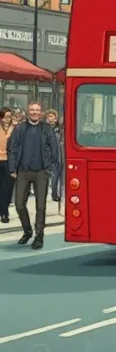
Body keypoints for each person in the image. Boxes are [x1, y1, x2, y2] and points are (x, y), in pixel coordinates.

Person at [7, 102, 59, 250]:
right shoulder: (20, 129)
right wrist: (12, 168)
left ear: (41, 112)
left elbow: (54, 149)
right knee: (19, 204)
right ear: (28, 111)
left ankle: (39, 236)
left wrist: (51, 167)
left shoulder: (46, 129)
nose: (35, 112)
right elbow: (12, 149)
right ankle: (27, 231)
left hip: (41, 171)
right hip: (23, 171)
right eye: (32, 110)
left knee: (41, 207)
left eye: (37, 110)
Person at [0, 108, 13, 224]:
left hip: (9, 162)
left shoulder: (14, 130)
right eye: (4, 117)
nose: (6, 119)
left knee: (7, 189)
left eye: (9, 117)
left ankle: (5, 212)